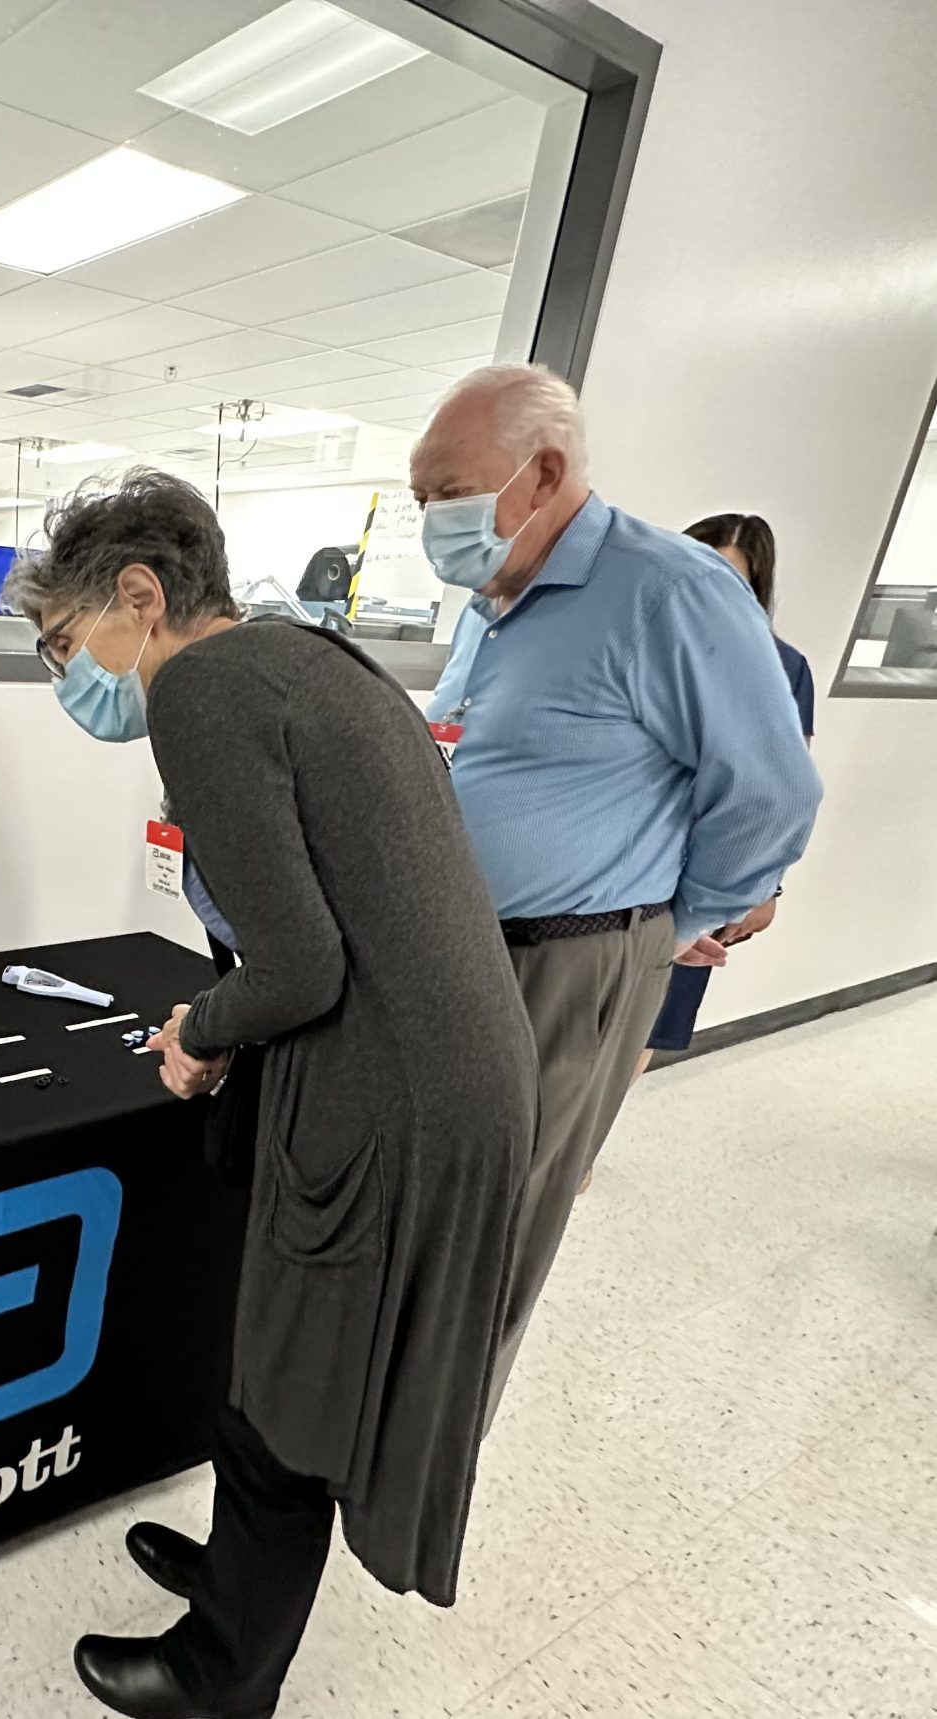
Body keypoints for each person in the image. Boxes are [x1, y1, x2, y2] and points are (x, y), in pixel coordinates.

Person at [7, 470, 536, 1719]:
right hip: (452, 1068)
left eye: (64, 643)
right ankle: (236, 1579)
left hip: (390, 1094)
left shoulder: (199, 688)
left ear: (140, 596)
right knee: (284, 1361)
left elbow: (296, 966)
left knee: (293, 1394)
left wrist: (201, 1028)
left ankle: (219, 1674)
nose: (68, 677)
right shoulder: (306, 658)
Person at [409, 366, 822, 1403]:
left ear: (542, 473)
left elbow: (770, 792)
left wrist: (664, 926)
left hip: (570, 961)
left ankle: (424, 1463)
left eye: (447, 492)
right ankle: (368, 1430)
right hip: (459, 947)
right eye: (420, 501)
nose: (433, 522)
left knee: (495, 1223)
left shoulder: (671, 590)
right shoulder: (491, 601)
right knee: (426, 1205)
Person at [633, 513, 817, 1078]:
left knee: (647, 1024)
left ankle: (582, 1160)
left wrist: (764, 889)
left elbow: (779, 793)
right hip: (609, 862)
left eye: (730, 579)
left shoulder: (782, 668)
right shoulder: (630, 644)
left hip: (696, 879)